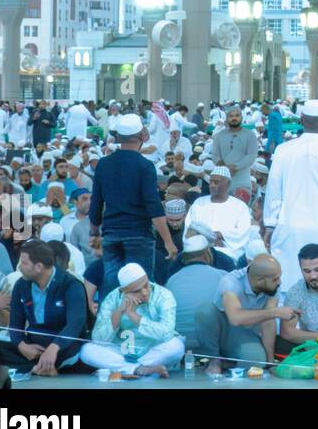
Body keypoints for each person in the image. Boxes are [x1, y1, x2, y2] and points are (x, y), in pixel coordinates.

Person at [265, 99, 318, 300]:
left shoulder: (283, 150)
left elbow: (273, 191)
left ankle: (287, 331)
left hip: (288, 229)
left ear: (302, 119)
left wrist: (270, 225)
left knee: (287, 288)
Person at [89, 113, 174, 294]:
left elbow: (96, 203)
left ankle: (110, 322)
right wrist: (168, 241)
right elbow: (154, 206)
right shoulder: (145, 166)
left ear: (118, 137)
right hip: (138, 235)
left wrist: (94, 232)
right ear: (142, 136)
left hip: (111, 235)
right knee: (140, 290)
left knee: (112, 291)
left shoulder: (103, 164)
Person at [0, 240, 88, 376]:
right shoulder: (21, 285)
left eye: (24, 263)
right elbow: (15, 326)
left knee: (90, 354)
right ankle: (38, 367)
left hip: (65, 346)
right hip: (33, 348)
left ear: (38, 267)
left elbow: (76, 323)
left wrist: (54, 348)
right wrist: (22, 345)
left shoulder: (71, 284)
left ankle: (33, 367)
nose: (19, 267)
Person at [79, 263, 186, 378]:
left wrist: (133, 316)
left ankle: (124, 369)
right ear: (124, 291)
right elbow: (98, 339)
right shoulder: (112, 298)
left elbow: (166, 333)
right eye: (137, 291)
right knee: (87, 351)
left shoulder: (163, 295)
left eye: (146, 285)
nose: (145, 292)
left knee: (176, 346)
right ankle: (137, 369)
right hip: (120, 351)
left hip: (152, 350)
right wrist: (119, 312)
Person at [206, 254, 297, 370]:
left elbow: (268, 323)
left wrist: (270, 363)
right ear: (260, 279)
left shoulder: (273, 285)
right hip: (222, 330)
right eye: (275, 279)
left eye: (279, 277)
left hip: (245, 334)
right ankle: (213, 359)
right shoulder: (231, 281)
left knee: (257, 362)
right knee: (206, 312)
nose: (279, 282)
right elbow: (235, 318)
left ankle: (227, 364)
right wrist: (275, 312)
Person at [165, 235, 228, 355]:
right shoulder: (223, 277)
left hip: (179, 347)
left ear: (183, 259)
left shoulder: (171, 280)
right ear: (207, 254)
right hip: (212, 348)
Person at [184, 166, 253, 262]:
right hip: (200, 252)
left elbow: (243, 232)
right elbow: (189, 227)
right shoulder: (199, 203)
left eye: (216, 182)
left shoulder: (239, 206)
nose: (212, 185)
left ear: (228, 184)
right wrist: (209, 241)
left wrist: (222, 235)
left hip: (228, 252)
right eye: (211, 182)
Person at [211, 107, 259, 192]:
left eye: (237, 115)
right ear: (227, 118)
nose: (234, 118)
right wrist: (225, 167)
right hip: (223, 182)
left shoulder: (250, 135)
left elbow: (251, 155)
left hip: (243, 182)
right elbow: (215, 155)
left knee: (241, 204)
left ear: (241, 117)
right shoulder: (219, 136)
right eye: (231, 116)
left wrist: (235, 167)